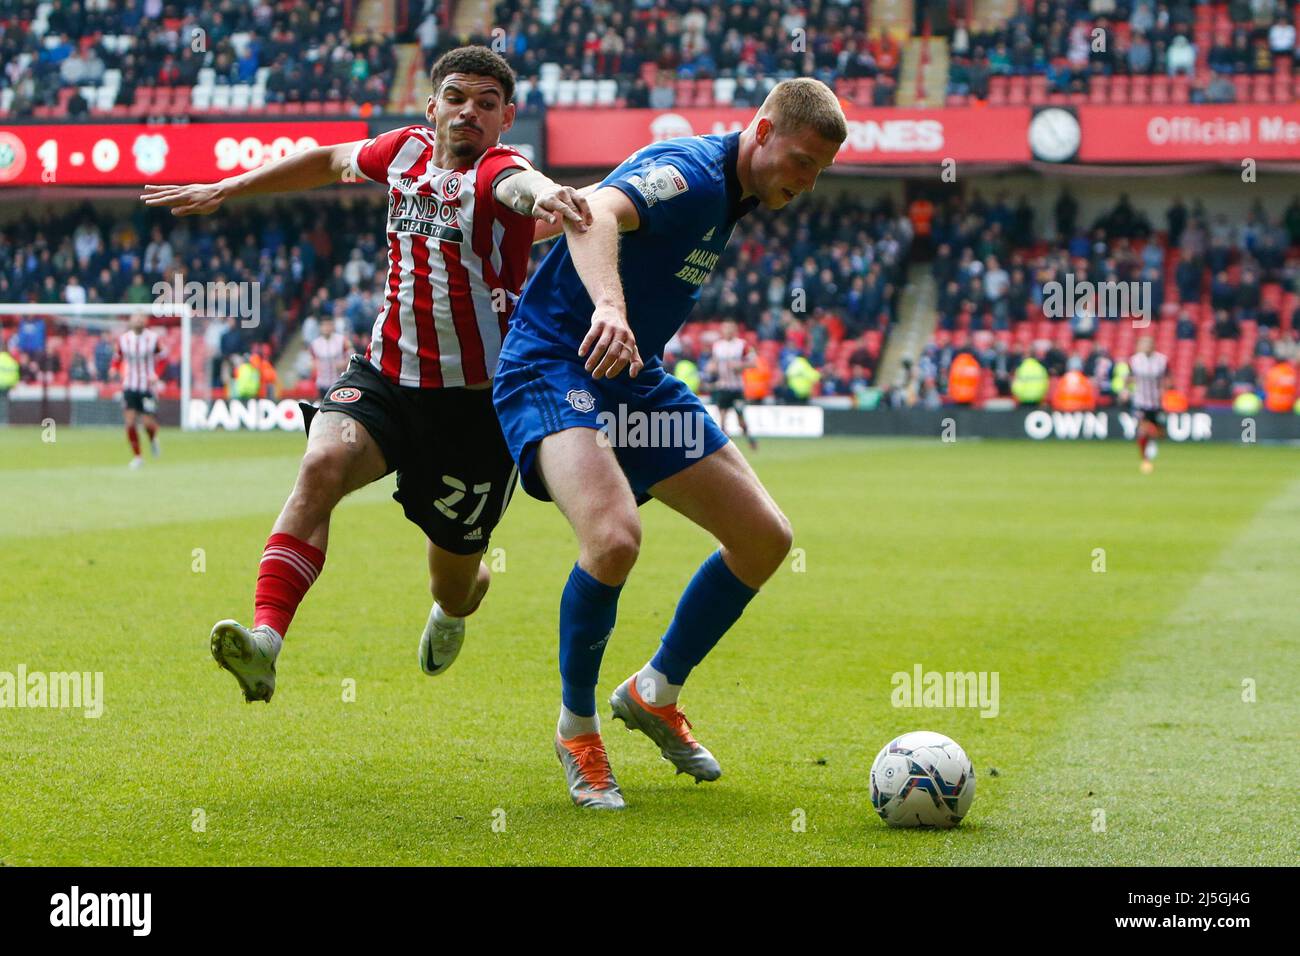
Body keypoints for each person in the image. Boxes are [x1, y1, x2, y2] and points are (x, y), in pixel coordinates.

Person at [143, 46, 591, 702]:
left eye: (487, 105)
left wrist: (550, 194)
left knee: (453, 582)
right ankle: (265, 642)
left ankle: (458, 604)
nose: (470, 112)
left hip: (474, 412)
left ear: (506, 119)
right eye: (458, 98)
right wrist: (229, 189)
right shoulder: (402, 152)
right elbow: (328, 160)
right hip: (386, 377)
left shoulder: (503, 171)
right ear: (433, 105)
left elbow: (525, 187)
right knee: (322, 464)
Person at [493, 77, 845, 809]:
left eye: (819, 171)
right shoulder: (688, 172)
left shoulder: (736, 194)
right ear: (763, 129)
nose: (806, 182)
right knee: (614, 538)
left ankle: (654, 692)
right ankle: (577, 727)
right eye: (802, 160)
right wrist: (613, 309)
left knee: (763, 538)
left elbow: (589, 212)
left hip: (631, 377)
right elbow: (594, 216)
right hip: (553, 363)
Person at [113, 313, 164, 469]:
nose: (138, 321)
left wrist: (157, 374)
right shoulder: (124, 339)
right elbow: (117, 358)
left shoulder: (153, 339)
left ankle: (153, 439)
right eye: (136, 318)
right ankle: (138, 456)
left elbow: (163, 358)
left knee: (148, 423)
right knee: (129, 421)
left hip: (147, 386)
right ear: (130, 321)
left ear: (145, 321)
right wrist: (113, 368)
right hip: (130, 385)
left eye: (141, 318)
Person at [706, 320, 758, 449]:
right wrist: (711, 367)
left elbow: (753, 363)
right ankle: (726, 447)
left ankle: (750, 439)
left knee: (740, 418)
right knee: (722, 418)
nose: (728, 331)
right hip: (723, 387)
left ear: (735, 330)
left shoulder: (742, 345)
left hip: (737, 388)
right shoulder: (718, 346)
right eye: (725, 329)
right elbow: (713, 362)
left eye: (730, 329)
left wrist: (740, 366)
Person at [1125, 335, 1170, 474]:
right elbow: (1129, 377)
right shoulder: (1134, 361)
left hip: (1156, 401)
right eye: (1144, 344)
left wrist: (1166, 390)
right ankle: (1144, 458)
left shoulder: (1162, 360)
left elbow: (1167, 378)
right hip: (1141, 401)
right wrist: (1126, 390)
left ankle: (1152, 443)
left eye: (1149, 344)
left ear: (1154, 346)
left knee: (1161, 433)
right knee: (1142, 430)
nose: (1147, 347)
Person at [309, 316, 349, 400]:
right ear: (320, 327)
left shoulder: (342, 340)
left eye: (329, 325)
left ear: (333, 326)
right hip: (322, 383)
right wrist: (315, 366)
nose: (326, 328)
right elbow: (312, 360)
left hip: (339, 382)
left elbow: (352, 355)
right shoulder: (315, 344)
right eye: (324, 325)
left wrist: (344, 363)